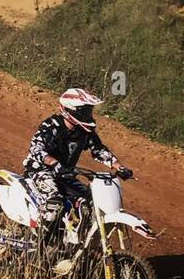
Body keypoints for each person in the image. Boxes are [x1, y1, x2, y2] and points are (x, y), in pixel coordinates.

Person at [22, 88, 128, 255]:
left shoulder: (84, 132)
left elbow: (99, 150)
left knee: (91, 200)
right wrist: (53, 162)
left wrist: (118, 166)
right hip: (40, 171)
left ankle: (74, 244)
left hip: (65, 174)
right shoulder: (51, 125)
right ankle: (37, 249)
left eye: (89, 111)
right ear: (70, 110)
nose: (88, 115)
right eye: (84, 111)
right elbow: (36, 149)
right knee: (55, 204)